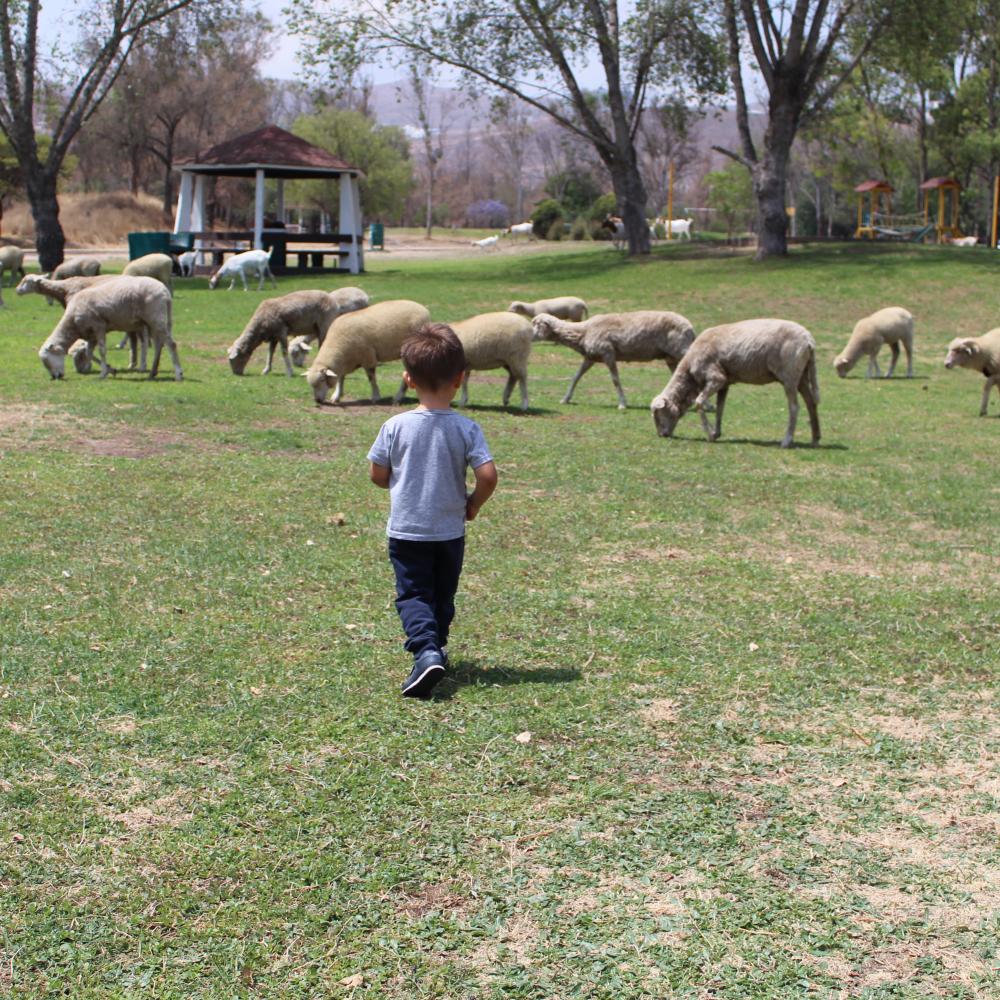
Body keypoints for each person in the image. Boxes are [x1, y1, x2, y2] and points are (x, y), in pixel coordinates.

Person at [368, 324, 498, 698]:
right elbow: (487, 475)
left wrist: (393, 480)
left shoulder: (394, 426)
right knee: (442, 593)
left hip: (408, 530)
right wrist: (473, 502)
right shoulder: (466, 428)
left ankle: (426, 652)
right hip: (449, 530)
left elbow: (378, 475)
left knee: (413, 594)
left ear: (408, 380)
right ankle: (435, 648)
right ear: (460, 378)